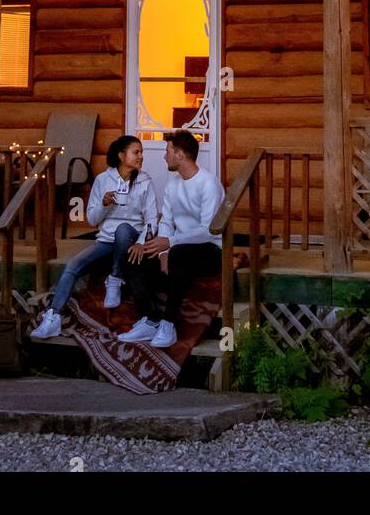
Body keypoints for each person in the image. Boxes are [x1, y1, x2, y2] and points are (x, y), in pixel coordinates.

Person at [31, 135, 158, 340]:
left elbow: (151, 219)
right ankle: (53, 317)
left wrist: (142, 242)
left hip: (130, 239)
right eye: (136, 152)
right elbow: (91, 219)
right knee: (73, 265)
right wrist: (104, 204)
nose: (141, 156)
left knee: (123, 230)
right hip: (106, 242)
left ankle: (115, 279)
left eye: (141, 152)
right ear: (121, 155)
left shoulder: (144, 182)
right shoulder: (102, 180)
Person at [117, 130, 225, 351]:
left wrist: (170, 245)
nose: (164, 156)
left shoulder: (208, 183)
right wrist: (163, 252)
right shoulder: (173, 183)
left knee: (179, 254)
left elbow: (208, 230)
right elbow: (166, 221)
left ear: (180, 154)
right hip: (177, 248)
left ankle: (169, 324)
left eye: (168, 151)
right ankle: (150, 319)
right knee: (133, 256)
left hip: (209, 250)